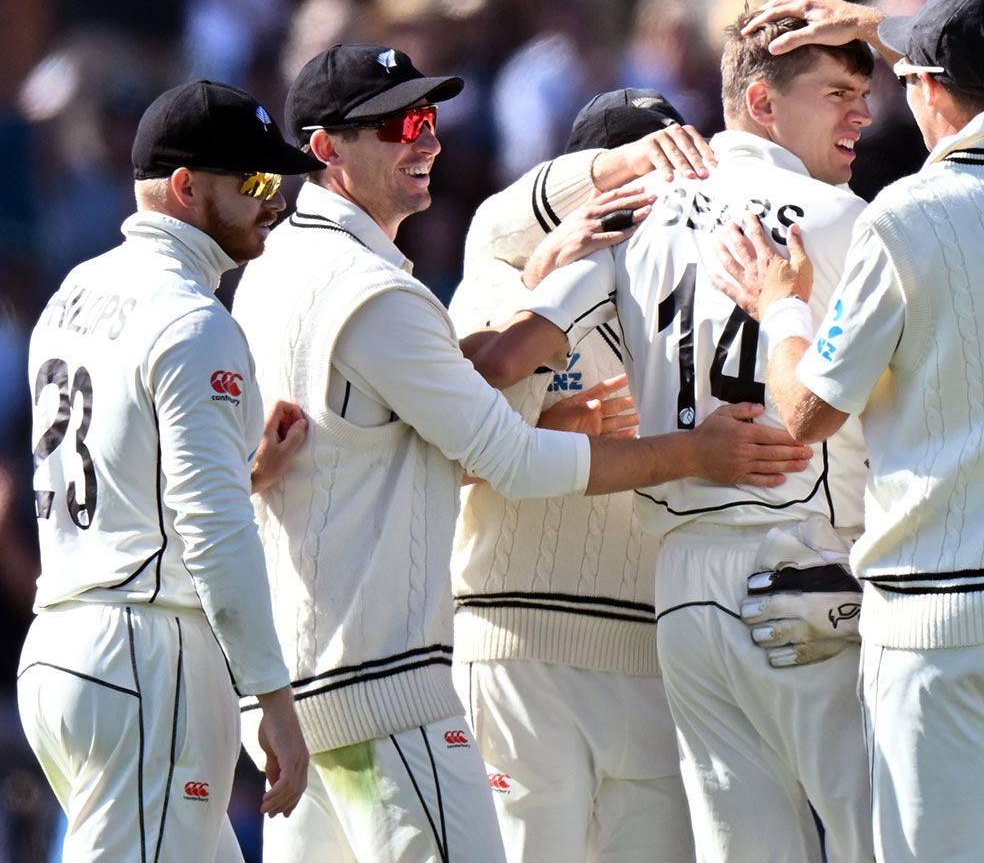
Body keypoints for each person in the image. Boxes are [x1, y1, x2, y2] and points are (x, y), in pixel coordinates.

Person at [231, 43, 812, 862]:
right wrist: (688, 450)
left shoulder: (285, 271)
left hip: (346, 679)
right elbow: (503, 447)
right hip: (428, 676)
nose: (425, 140)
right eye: (400, 124)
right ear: (325, 149)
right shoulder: (441, 284)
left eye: (429, 120)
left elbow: (434, 439)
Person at [720, 0, 984, 861]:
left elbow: (807, 413)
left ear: (928, 87)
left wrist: (780, 307)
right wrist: (878, 27)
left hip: (941, 627)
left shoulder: (906, 217)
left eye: (905, 71)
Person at [465, 13, 878, 862]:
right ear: (761, 102)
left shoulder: (626, 226)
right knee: (882, 841)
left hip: (684, 592)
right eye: (838, 94)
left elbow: (498, 361)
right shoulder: (844, 218)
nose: (861, 116)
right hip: (806, 558)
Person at [17, 80, 317, 860]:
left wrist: (242, 473)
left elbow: (128, 479)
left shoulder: (71, 294)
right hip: (147, 657)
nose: (274, 200)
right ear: (185, 188)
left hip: (62, 649)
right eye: (251, 182)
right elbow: (212, 531)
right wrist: (273, 698)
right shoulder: (193, 321)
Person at [447, 89, 710, 863]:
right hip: (519, 639)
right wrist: (548, 281)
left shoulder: (704, 286)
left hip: (658, 653)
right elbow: (451, 451)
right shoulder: (500, 277)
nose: (661, 200)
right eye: (643, 174)